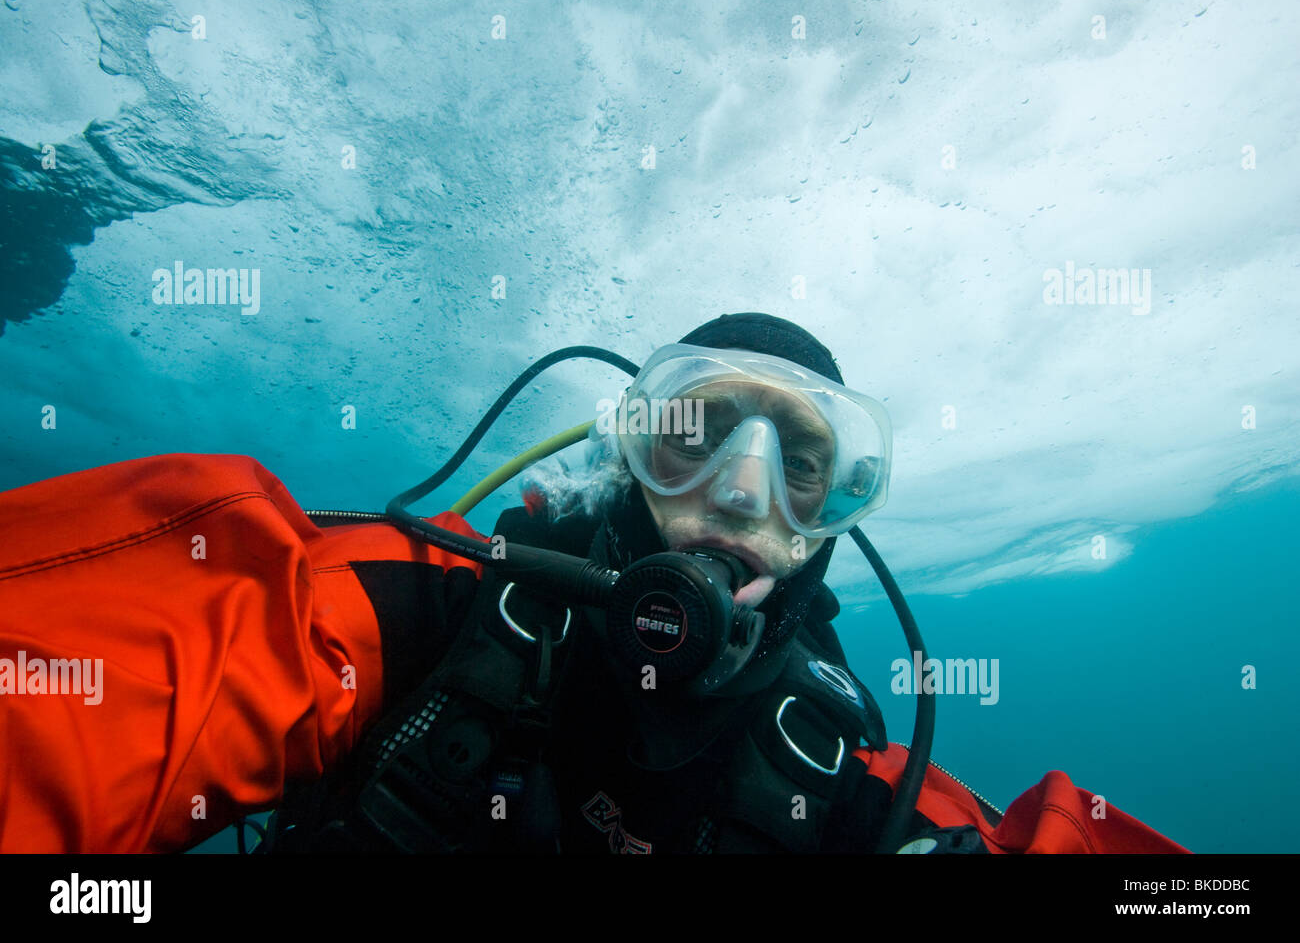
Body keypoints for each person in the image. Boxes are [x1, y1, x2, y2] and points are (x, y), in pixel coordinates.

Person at [0, 313, 1188, 853]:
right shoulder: (417, 606)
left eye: (800, 466)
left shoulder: (846, 781)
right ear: (626, 451)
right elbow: (146, 656)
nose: (734, 494)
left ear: (833, 522)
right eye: (695, 434)